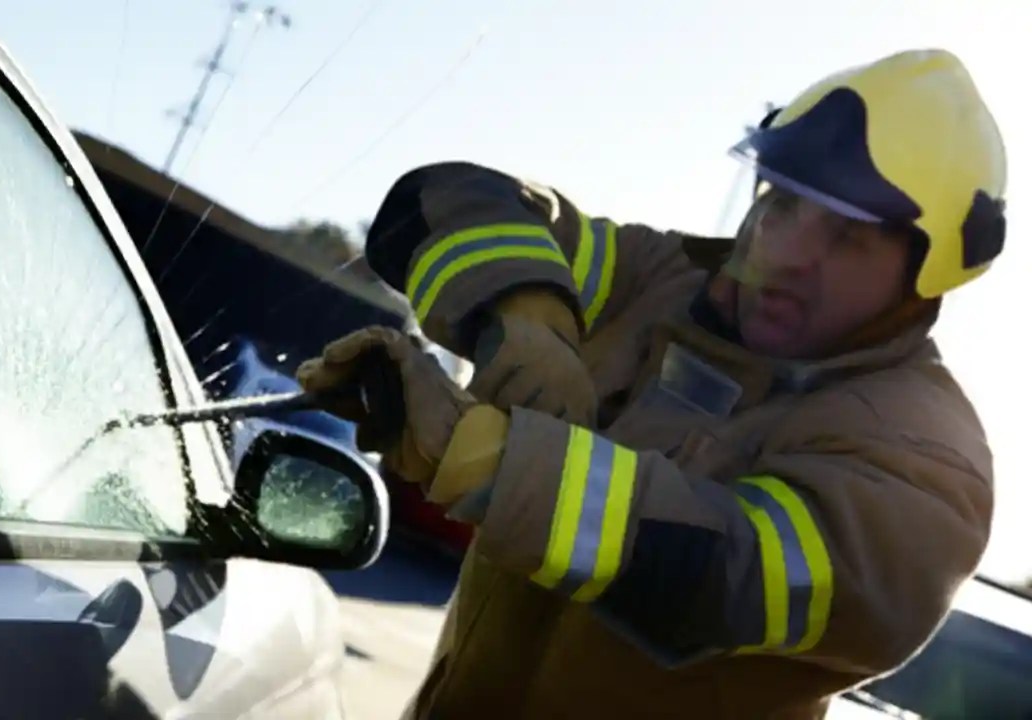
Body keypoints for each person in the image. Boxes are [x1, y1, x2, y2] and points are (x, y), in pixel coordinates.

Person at [297, 48, 1007, 719]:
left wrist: (486, 459)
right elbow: (446, 197)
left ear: (925, 277)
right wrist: (525, 307)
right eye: (784, 205)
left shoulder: (930, 463)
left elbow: (721, 576)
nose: (786, 253)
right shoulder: (654, 279)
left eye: (847, 237)